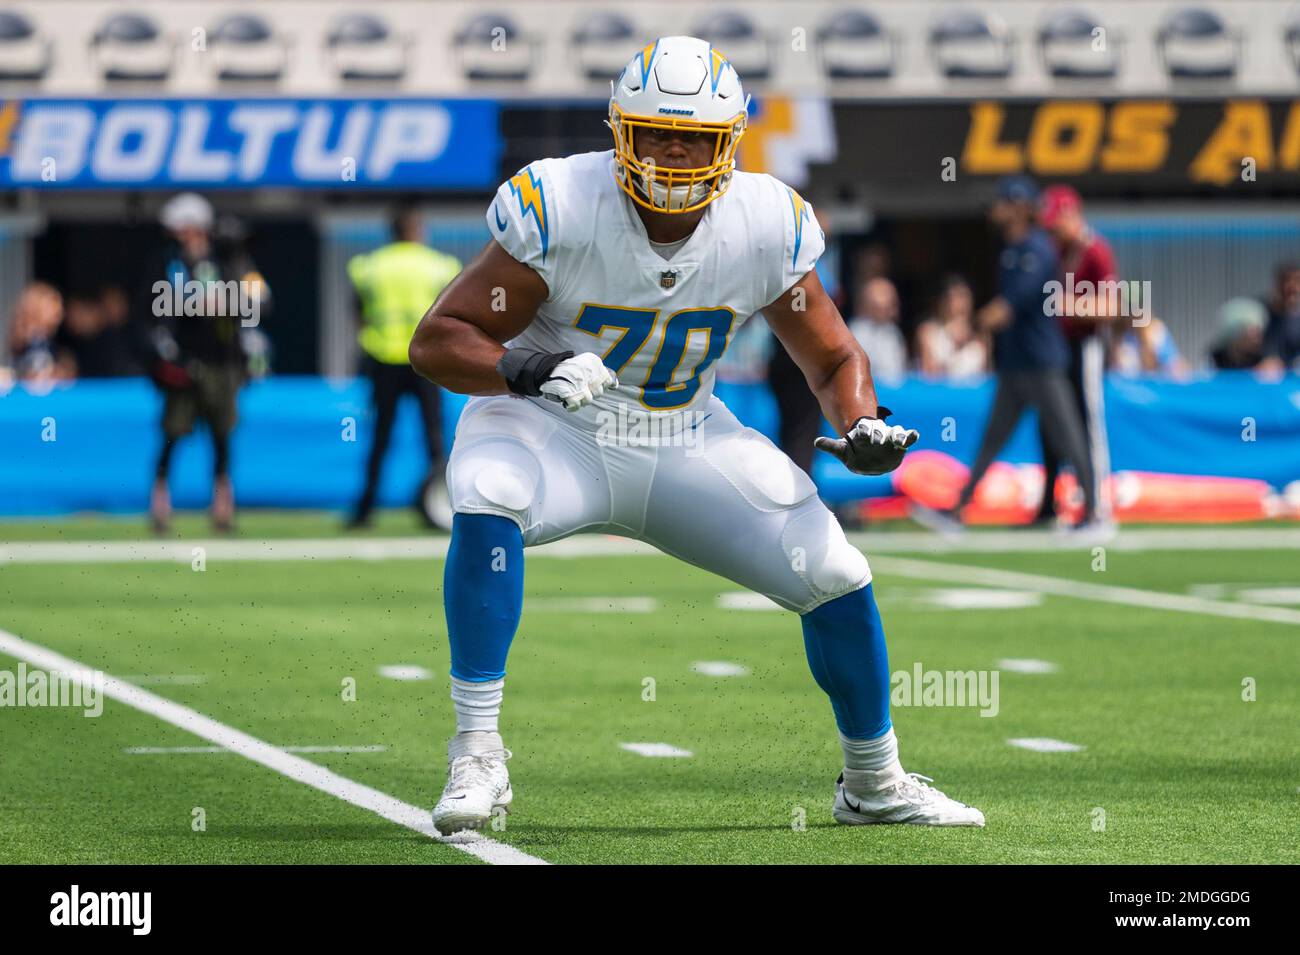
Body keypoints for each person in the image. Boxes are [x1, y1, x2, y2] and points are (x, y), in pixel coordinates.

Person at [409, 36, 983, 836]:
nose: (675, 155)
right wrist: (530, 369)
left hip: (686, 434)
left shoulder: (763, 221)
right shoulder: (563, 205)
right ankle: (476, 749)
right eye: (657, 134)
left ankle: (873, 781)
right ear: (621, 132)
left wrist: (863, 422)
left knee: (836, 568)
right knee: (488, 490)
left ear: (731, 143)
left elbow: (833, 355)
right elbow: (439, 339)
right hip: (555, 426)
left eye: (696, 139)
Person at [913, 176, 1102, 536]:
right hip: (1016, 364)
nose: (995, 209)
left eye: (1002, 202)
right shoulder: (1010, 249)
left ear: (1018, 208)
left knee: (1070, 436)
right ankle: (956, 511)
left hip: (1043, 362)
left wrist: (968, 330)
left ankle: (1094, 514)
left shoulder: (1038, 249)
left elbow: (1012, 305)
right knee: (992, 439)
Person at [144, 193, 268, 534]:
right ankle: (160, 505)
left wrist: (230, 303)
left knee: (222, 436)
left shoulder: (230, 260)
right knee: (173, 434)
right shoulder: (167, 264)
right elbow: (153, 311)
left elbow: (259, 302)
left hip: (221, 363)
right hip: (185, 362)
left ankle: (222, 507)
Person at [345, 207, 462, 528]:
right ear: (417, 231)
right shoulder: (439, 265)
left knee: (380, 438)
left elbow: (357, 311)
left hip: (383, 358)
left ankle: (364, 511)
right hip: (425, 361)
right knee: (434, 438)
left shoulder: (370, 266)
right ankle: (446, 506)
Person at [1033, 184, 1115, 526]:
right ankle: (1050, 502)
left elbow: (1113, 306)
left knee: (1086, 424)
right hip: (1055, 350)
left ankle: (1097, 505)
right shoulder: (1057, 252)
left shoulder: (1095, 250)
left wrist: (1069, 306)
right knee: (1050, 425)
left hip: (1084, 347)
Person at [915, 274, 988, 378]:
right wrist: (951, 342)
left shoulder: (980, 337)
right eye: (957, 297)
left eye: (966, 297)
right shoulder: (927, 331)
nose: (962, 303)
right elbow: (929, 372)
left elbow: (985, 376)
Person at [846, 276, 908, 382]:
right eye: (883, 306)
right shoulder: (856, 331)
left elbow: (898, 369)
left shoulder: (893, 331)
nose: (892, 311)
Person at [1257, 262, 1300, 375]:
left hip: (1288, 384)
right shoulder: (1258, 312)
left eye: (1297, 281)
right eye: (1286, 280)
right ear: (1277, 283)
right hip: (1256, 378)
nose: (1292, 286)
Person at [1210, 297, 1268, 370]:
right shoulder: (1212, 362)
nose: (1258, 338)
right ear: (1235, 334)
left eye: (1259, 331)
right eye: (1254, 332)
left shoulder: (1262, 363)